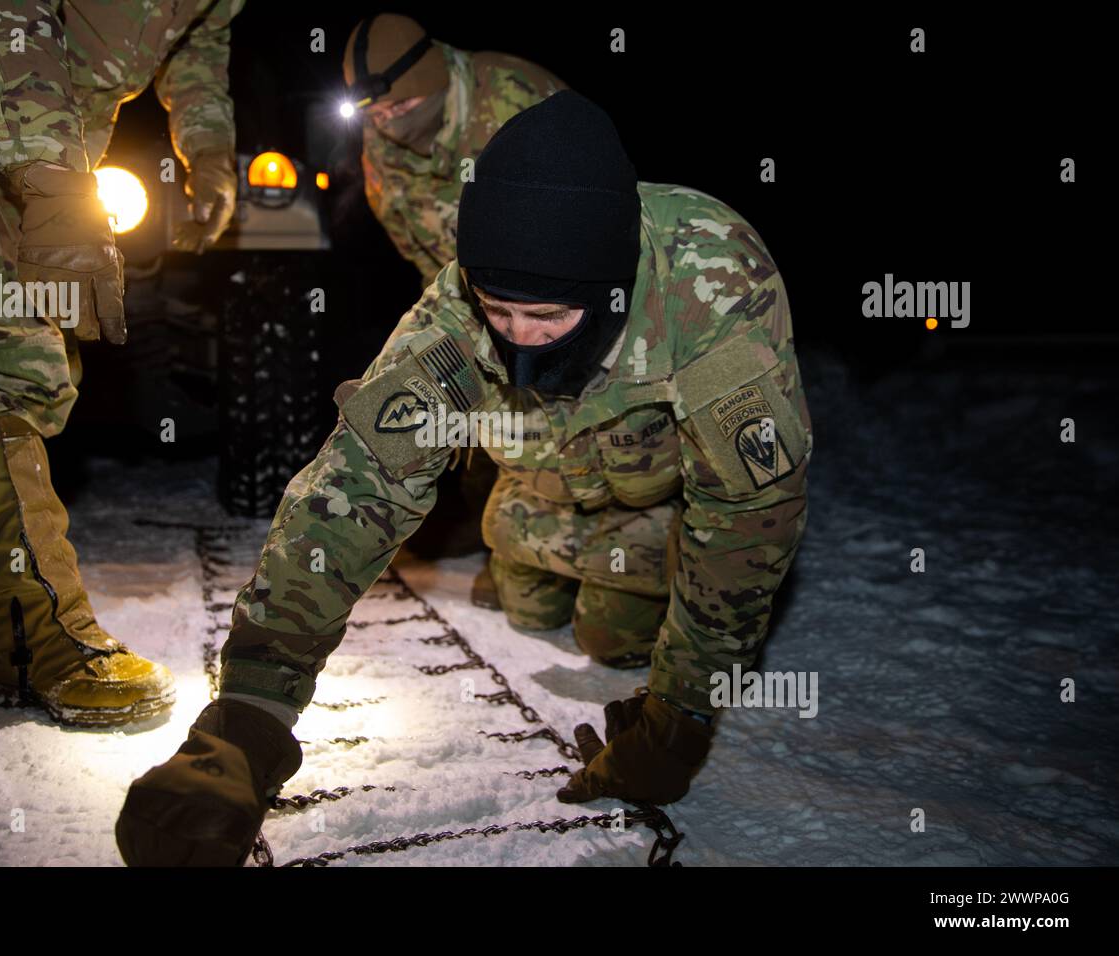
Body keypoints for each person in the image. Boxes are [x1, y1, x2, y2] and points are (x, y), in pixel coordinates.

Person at [116, 90, 812, 864]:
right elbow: (356, 486)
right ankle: (528, 542)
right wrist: (247, 719)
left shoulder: (713, 288)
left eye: (547, 318)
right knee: (522, 595)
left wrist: (678, 723)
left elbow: (749, 517)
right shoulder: (457, 311)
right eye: (498, 312)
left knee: (610, 636)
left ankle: (607, 569)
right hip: (545, 474)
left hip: (656, 493)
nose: (518, 345)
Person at [0, 0, 245, 726]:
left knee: (6, 367)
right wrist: (54, 183)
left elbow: (197, 39)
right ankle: (41, 650)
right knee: (3, 368)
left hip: (57, 142)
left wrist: (209, 151)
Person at [341, 11, 566, 583]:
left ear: (435, 82)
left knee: (536, 405)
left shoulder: (520, 102)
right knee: (437, 384)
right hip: (460, 283)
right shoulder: (382, 132)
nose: (388, 125)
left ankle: (541, 536)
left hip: (547, 295)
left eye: (402, 109)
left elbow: (577, 230)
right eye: (377, 114)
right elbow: (407, 227)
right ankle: (474, 509)